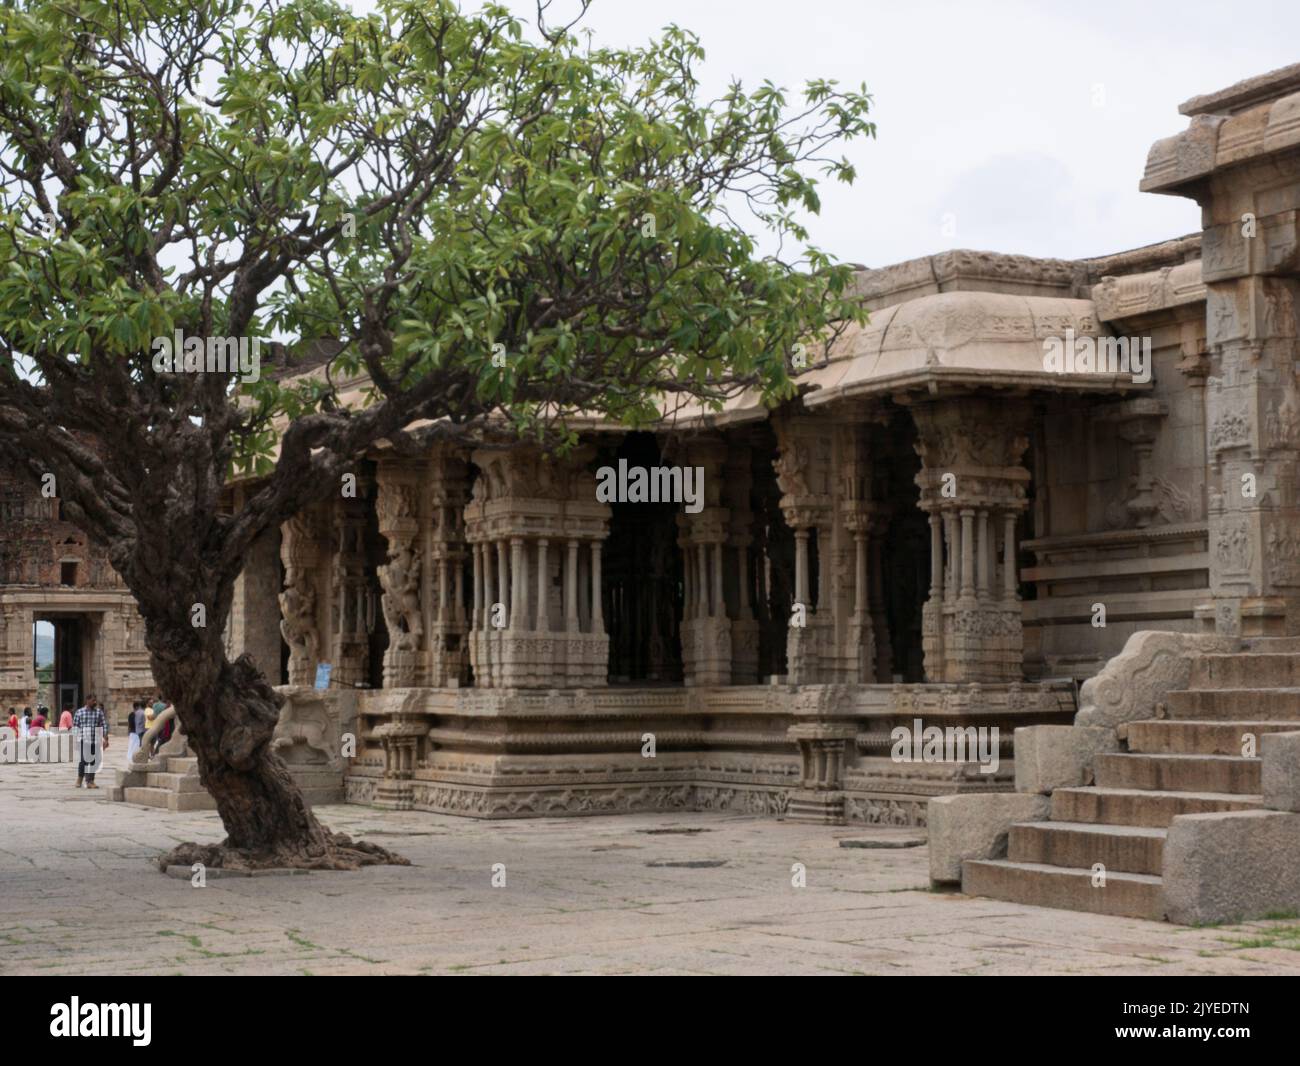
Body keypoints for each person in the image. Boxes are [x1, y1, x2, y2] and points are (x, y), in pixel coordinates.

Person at [72, 696, 109, 789]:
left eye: (95, 700)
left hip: (95, 740)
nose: (95, 702)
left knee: (94, 761)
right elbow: (75, 727)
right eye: (93, 701)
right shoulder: (79, 712)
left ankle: (90, 781)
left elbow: (103, 725)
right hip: (83, 740)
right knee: (84, 760)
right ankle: (80, 778)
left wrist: (105, 738)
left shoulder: (98, 712)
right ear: (87, 701)